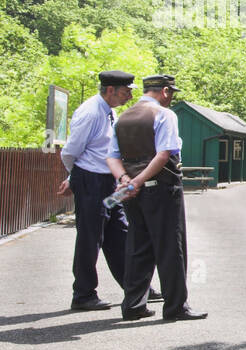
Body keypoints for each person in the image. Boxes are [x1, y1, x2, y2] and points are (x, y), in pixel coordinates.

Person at [106, 74, 207, 322]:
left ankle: (133, 305)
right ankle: (175, 307)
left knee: (138, 246)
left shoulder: (123, 117)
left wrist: (125, 181)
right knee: (171, 247)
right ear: (164, 91)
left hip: (132, 192)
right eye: (171, 93)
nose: (171, 98)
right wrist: (139, 180)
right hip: (161, 188)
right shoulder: (164, 115)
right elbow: (163, 155)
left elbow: (112, 156)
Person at [59, 70, 161, 311]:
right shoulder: (91, 112)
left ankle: (137, 288)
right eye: (126, 91)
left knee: (120, 234)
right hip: (91, 180)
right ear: (111, 90)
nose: (129, 96)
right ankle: (83, 293)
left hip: (107, 182)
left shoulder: (109, 111)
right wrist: (74, 178)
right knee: (90, 236)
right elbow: (71, 151)